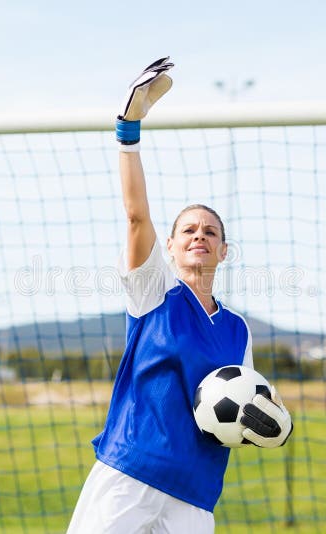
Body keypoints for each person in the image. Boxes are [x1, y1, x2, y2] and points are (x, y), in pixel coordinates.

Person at [67, 57, 293, 534]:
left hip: (194, 492)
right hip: (131, 471)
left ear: (224, 250)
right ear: (168, 247)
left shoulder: (238, 330)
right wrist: (129, 129)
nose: (199, 236)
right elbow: (135, 216)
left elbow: (239, 404)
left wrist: (265, 420)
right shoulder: (154, 293)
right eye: (188, 229)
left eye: (211, 231)